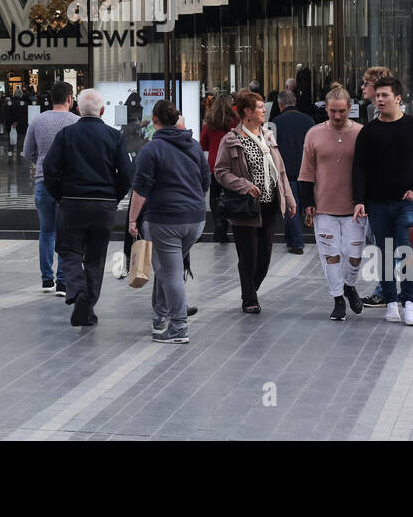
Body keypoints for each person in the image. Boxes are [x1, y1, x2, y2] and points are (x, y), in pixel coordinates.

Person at [42, 88, 133, 327]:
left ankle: (79, 291)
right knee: (95, 256)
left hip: (72, 203)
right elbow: (126, 173)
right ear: (102, 111)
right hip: (103, 205)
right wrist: (114, 197)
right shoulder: (114, 136)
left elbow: (49, 170)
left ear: (78, 109)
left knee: (69, 251)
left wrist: (60, 195)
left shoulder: (66, 135)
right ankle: (88, 305)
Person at [352, 76, 413, 327]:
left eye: (384, 95)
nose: (379, 100)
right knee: (385, 253)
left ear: (398, 98)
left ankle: (408, 302)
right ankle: (390, 302)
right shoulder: (369, 131)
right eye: (377, 96)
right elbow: (359, 169)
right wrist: (359, 200)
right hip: (377, 203)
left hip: (408, 203)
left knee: (407, 252)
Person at [127, 100, 210, 344]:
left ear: (155, 120)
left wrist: (132, 219)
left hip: (164, 219)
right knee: (166, 269)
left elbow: (140, 189)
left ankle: (178, 327)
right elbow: (205, 181)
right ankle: (159, 317)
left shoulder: (151, 150)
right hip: (195, 220)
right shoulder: (193, 146)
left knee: (169, 272)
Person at [214, 88, 297, 314]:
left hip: (269, 205)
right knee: (248, 255)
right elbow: (220, 171)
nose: (264, 111)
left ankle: (251, 289)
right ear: (247, 112)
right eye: (260, 107)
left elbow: (280, 171)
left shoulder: (267, 135)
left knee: (264, 257)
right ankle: (249, 298)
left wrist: (289, 199)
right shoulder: (231, 139)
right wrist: (244, 185)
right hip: (245, 206)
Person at [298, 86, 365, 321]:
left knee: (355, 254)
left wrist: (363, 199)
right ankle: (337, 298)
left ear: (350, 109)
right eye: (333, 111)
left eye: (342, 111)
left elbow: (368, 170)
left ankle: (349, 285)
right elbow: (306, 171)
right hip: (323, 206)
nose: (337, 116)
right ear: (326, 109)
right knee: (331, 255)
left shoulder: (361, 133)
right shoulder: (313, 134)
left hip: (355, 207)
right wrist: (307, 202)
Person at [22, 81, 78, 295]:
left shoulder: (38, 120)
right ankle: (63, 282)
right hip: (68, 184)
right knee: (66, 231)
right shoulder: (76, 121)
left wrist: (42, 162)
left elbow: (28, 152)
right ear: (70, 99)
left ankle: (47, 280)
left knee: (46, 231)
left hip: (43, 181)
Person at [272, 89, 313, 255]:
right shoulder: (309, 120)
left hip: (287, 171)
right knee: (303, 206)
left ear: (281, 105)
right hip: (307, 169)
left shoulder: (276, 122)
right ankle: (291, 239)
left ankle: (296, 243)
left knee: (291, 207)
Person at [200, 93, 239, 242]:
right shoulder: (235, 122)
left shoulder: (209, 123)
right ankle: (229, 225)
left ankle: (219, 228)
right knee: (231, 196)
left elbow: (203, 145)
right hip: (231, 163)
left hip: (214, 165)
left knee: (215, 197)